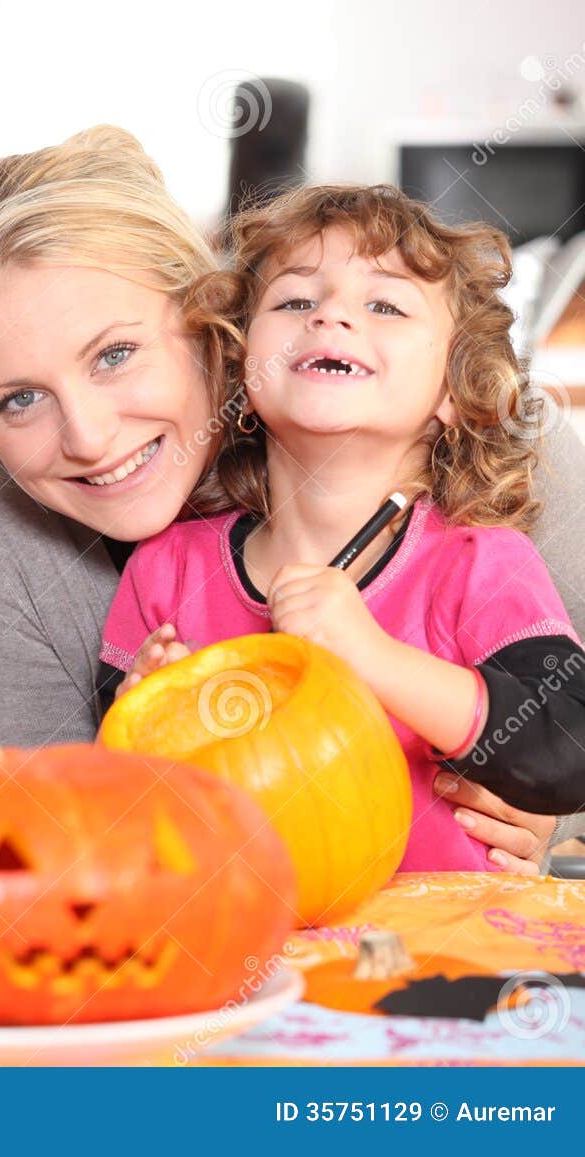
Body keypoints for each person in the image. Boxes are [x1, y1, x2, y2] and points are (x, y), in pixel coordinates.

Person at [0, 126, 585, 872]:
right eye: (17, 398)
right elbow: (63, 841)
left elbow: (566, 742)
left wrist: (548, 820)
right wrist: (144, 711)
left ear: (210, 320)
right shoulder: (42, 544)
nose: (87, 436)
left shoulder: (507, 450)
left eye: (115, 354)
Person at [102, 183, 585, 870]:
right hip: (243, 948)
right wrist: (139, 719)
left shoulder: (483, 565)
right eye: (296, 300)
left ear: (454, 391)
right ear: (242, 365)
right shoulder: (166, 570)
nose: (330, 316)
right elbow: (115, 805)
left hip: (443, 956)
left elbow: (570, 745)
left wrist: (372, 655)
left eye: (384, 304)